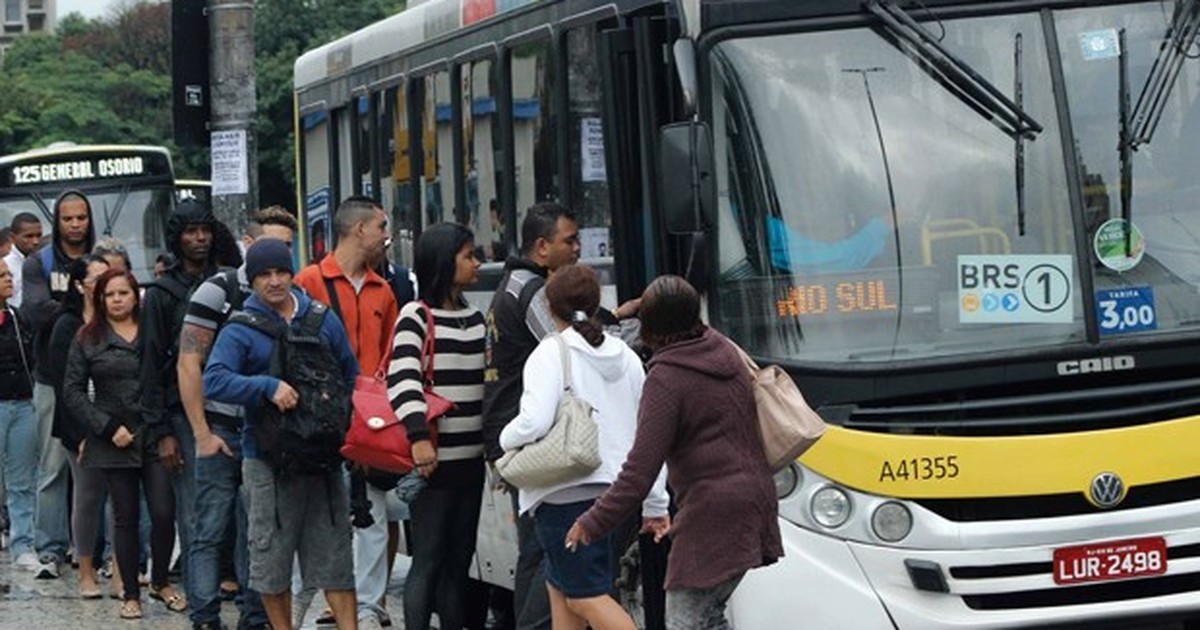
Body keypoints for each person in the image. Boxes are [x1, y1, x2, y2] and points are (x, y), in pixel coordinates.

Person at [565, 276, 782, 630]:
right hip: (754, 499)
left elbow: (639, 471)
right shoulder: (722, 348)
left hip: (714, 515)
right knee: (708, 617)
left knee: (686, 621)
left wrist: (593, 522)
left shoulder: (667, 379)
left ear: (649, 324)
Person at [499, 265, 668, 630]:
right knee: (562, 593)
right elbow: (647, 435)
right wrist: (655, 502)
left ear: (549, 308)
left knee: (583, 596)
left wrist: (503, 440)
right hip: (619, 498)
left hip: (565, 496)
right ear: (596, 304)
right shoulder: (625, 355)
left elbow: (533, 422)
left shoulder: (549, 353)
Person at [202, 238, 359, 630]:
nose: (274, 281)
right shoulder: (240, 328)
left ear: (292, 272)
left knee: (337, 561)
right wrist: (266, 387)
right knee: (270, 563)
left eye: (281, 272)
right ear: (252, 281)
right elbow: (214, 380)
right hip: (268, 460)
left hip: (323, 459)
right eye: (264, 275)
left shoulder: (322, 319)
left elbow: (351, 375)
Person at [179, 206, 295, 630]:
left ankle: (255, 615)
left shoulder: (292, 298)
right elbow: (189, 363)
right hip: (221, 429)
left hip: (267, 434)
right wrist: (201, 433)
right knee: (209, 527)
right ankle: (206, 615)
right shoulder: (218, 290)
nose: (276, 257)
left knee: (259, 530)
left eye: (285, 247)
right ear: (249, 245)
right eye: (269, 243)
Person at [294, 196, 399, 630]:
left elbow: (393, 351)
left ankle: (370, 605)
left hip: (370, 414)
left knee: (371, 508)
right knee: (316, 511)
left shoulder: (384, 289)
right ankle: (310, 598)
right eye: (380, 227)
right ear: (359, 230)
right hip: (320, 414)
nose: (385, 236)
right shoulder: (307, 281)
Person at [62, 268, 186, 619]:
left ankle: (160, 581)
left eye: (123, 293)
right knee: (125, 516)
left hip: (153, 432)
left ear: (136, 296)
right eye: (109, 295)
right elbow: (71, 391)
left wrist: (166, 426)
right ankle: (130, 592)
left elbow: (170, 375)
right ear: (100, 299)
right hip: (112, 438)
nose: (117, 300)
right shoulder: (88, 337)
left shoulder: (152, 332)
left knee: (163, 511)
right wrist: (104, 427)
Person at [481, 202, 581, 629]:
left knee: (533, 550)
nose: (578, 249)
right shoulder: (532, 290)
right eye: (569, 241)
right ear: (542, 247)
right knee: (551, 546)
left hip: (510, 434)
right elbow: (565, 345)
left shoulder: (513, 283)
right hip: (527, 438)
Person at [386, 222, 486, 630]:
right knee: (428, 559)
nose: (477, 263)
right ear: (446, 262)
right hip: (431, 462)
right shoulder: (416, 316)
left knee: (459, 563)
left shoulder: (477, 318)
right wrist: (417, 439)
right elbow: (402, 380)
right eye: (468, 255)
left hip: (472, 463)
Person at [140, 199, 238, 607]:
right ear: (177, 238)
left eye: (205, 230)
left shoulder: (230, 282)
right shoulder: (162, 293)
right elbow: (149, 363)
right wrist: (161, 431)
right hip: (181, 411)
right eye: (190, 232)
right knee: (196, 507)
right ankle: (203, 596)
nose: (199, 238)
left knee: (234, 504)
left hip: (230, 407)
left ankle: (230, 577)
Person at [26, 190, 96, 579]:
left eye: (81, 217)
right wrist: (81, 306)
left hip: (100, 380)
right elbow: (36, 311)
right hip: (51, 378)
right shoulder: (40, 261)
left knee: (100, 468)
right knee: (52, 467)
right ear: (58, 221)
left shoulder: (103, 255)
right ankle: (50, 549)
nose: (75, 224)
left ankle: (97, 552)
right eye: (67, 218)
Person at [44, 255, 111, 598]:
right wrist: (84, 434)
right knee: (87, 497)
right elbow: (63, 386)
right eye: (96, 277)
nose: (104, 283)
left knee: (123, 499)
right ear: (79, 285)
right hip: (79, 425)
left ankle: (118, 568)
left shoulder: (117, 318)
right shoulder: (66, 325)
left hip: (116, 422)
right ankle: (85, 569)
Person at [0, 257, 37, 572]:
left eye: (8, 274)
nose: (9, 279)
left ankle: (23, 543)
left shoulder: (16, 316)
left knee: (22, 480)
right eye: (2, 275)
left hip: (23, 403)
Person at [3, 212, 43, 308]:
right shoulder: (5, 266)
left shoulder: (46, 261)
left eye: (39, 235)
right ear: (12, 237)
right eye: (29, 236)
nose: (35, 241)